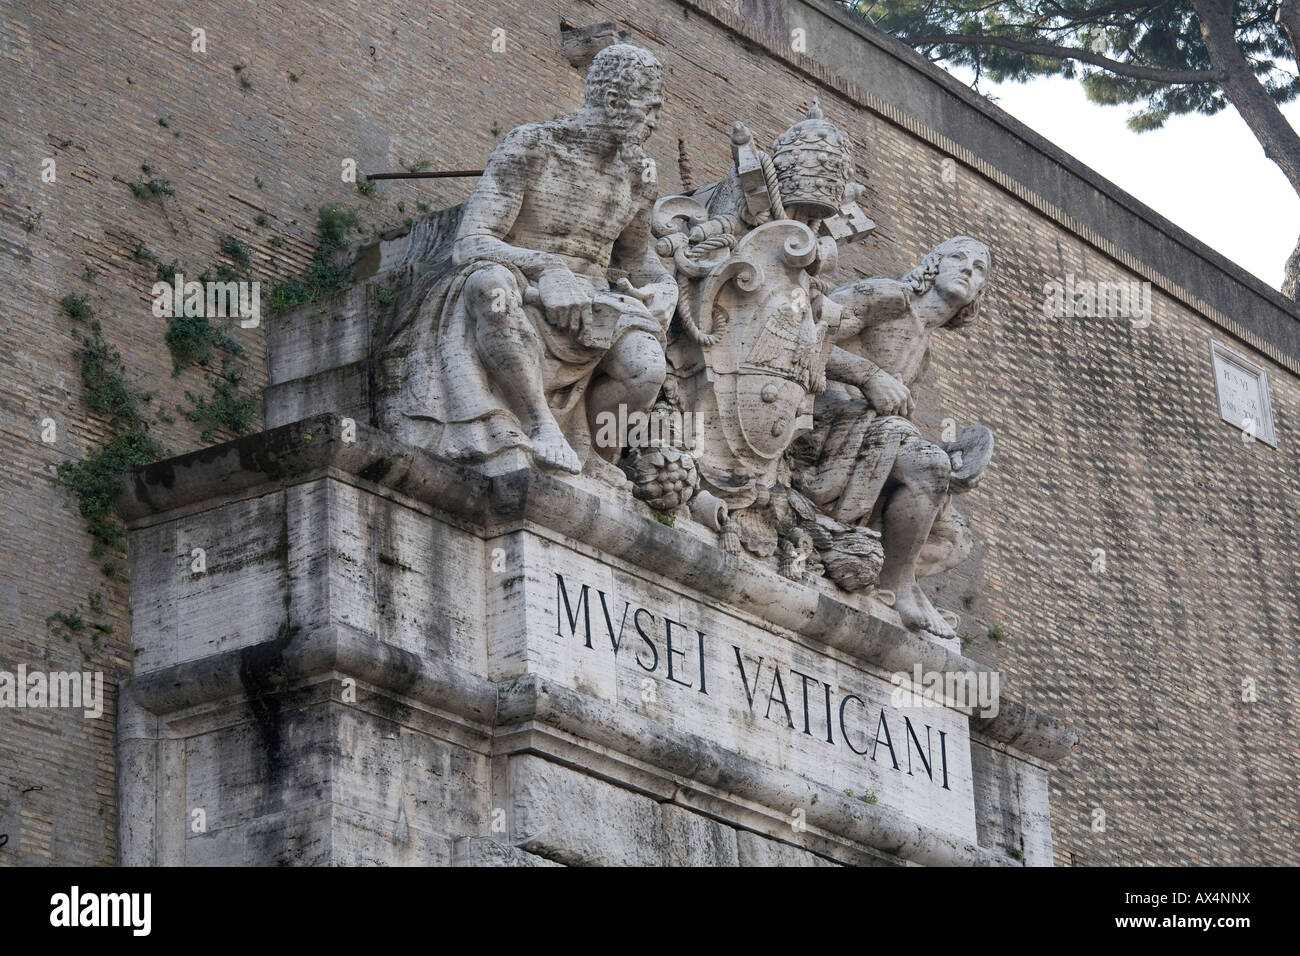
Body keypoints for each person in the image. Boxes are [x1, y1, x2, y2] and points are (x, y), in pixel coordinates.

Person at [377, 44, 677, 476]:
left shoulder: (638, 174)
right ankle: (539, 425)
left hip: (596, 308)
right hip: (525, 290)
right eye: (650, 110)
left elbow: (636, 257)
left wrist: (665, 287)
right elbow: (470, 241)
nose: (655, 123)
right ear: (613, 102)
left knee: (646, 367)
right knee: (489, 286)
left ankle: (596, 460)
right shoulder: (533, 146)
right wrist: (548, 268)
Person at [791, 236, 992, 637]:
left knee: (953, 536)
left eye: (979, 269)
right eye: (957, 257)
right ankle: (896, 587)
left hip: (861, 436)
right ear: (932, 265)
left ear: (978, 294)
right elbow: (803, 332)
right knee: (927, 463)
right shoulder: (887, 297)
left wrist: (952, 459)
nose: (968, 269)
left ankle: (895, 577)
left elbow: (893, 418)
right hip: (817, 425)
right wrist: (869, 376)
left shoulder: (923, 349)